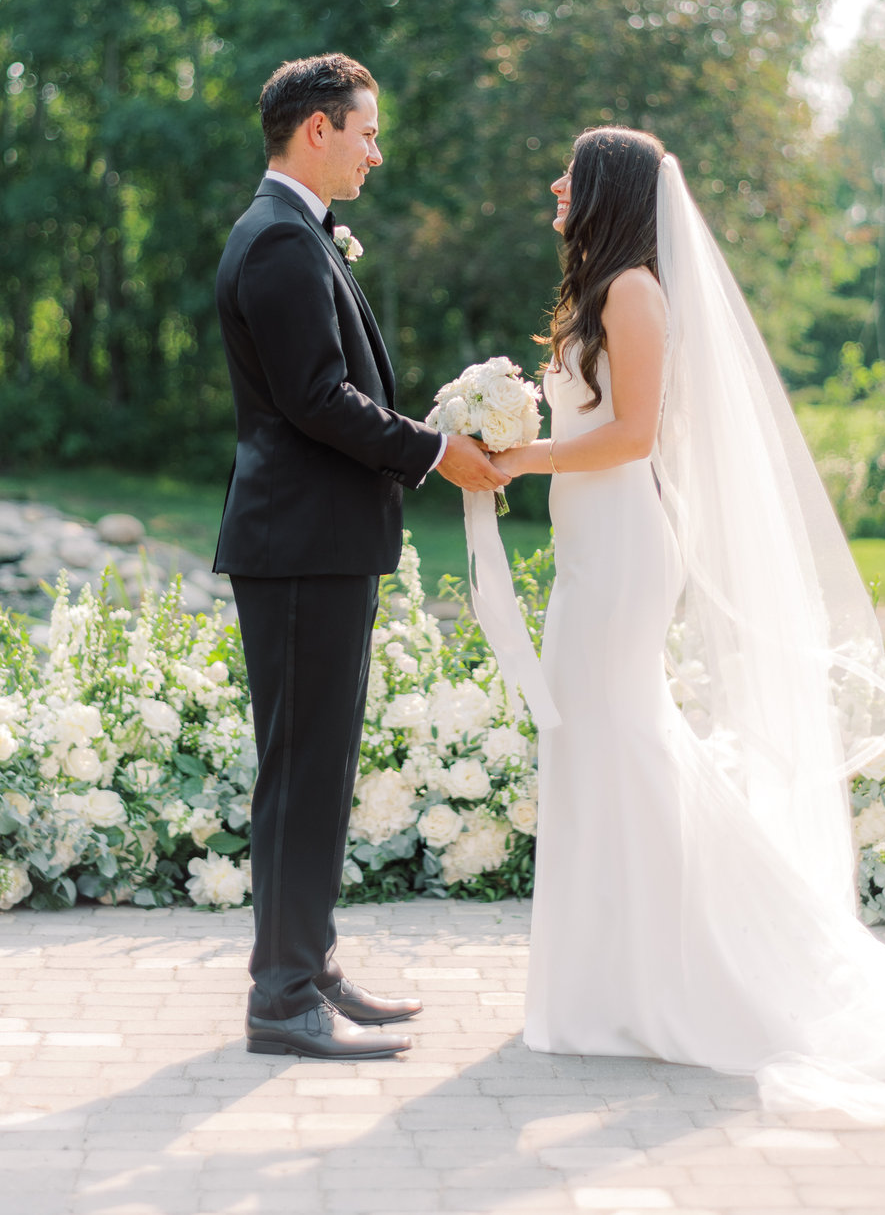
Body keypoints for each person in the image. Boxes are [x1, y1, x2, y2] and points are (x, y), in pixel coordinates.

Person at [489, 125, 885, 1122]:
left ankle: (693, 962)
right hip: (590, 551)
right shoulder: (600, 290)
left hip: (626, 551)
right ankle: (603, 977)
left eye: (570, 171)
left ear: (605, 189)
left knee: (622, 739)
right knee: (592, 742)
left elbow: (633, 435)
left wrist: (522, 456)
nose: (556, 184)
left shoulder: (632, 290)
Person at [213, 53, 508, 1060]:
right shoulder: (278, 240)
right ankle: (282, 997)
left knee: (317, 768)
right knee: (302, 772)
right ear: (317, 131)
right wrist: (434, 450)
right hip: (300, 545)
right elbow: (315, 398)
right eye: (366, 133)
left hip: (314, 545)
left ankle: (308, 964)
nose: (376, 154)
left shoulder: (295, 231)